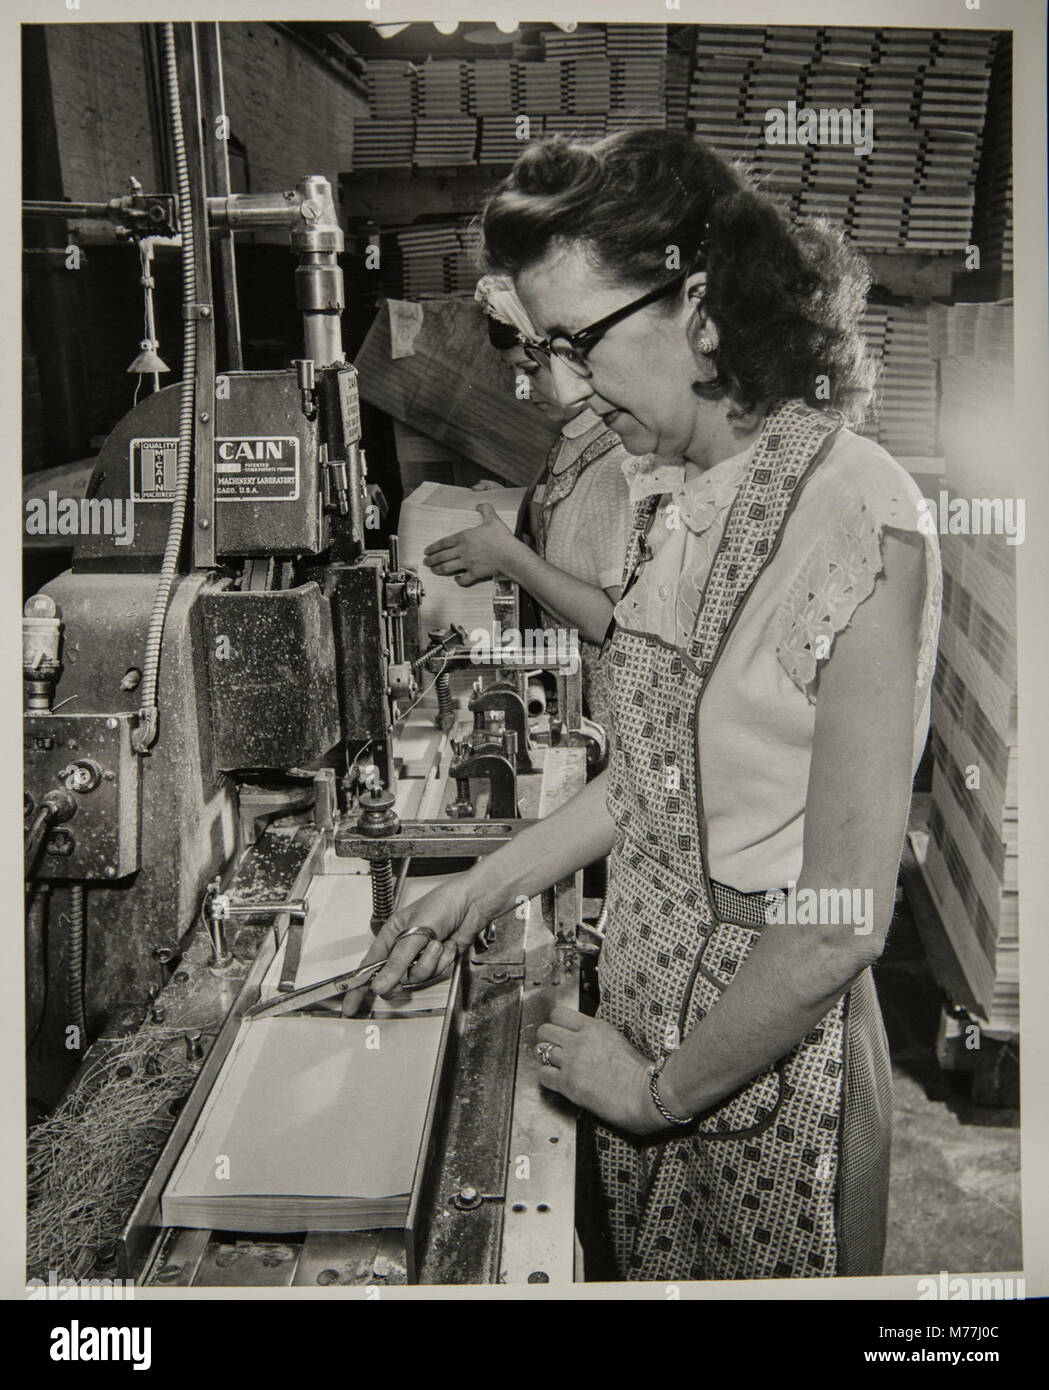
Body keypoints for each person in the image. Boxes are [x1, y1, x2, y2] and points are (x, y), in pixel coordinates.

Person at [349, 128, 941, 1282]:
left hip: (747, 1069)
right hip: (638, 1028)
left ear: (702, 304)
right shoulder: (684, 489)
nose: (562, 388)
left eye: (580, 345)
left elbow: (837, 917)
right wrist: (479, 888)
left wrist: (658, 1086)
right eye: (542, 352)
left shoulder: (858, 514)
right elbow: (654, 780)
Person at [422, 275, 637, 733]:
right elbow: (569, 535)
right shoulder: (575, 440)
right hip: (566, 694)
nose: (522, 388)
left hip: (611, 719)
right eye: (514, 373)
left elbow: (616, 625)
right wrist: (508, 509)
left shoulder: (621, 462)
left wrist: (511, 557)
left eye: (530, 369)